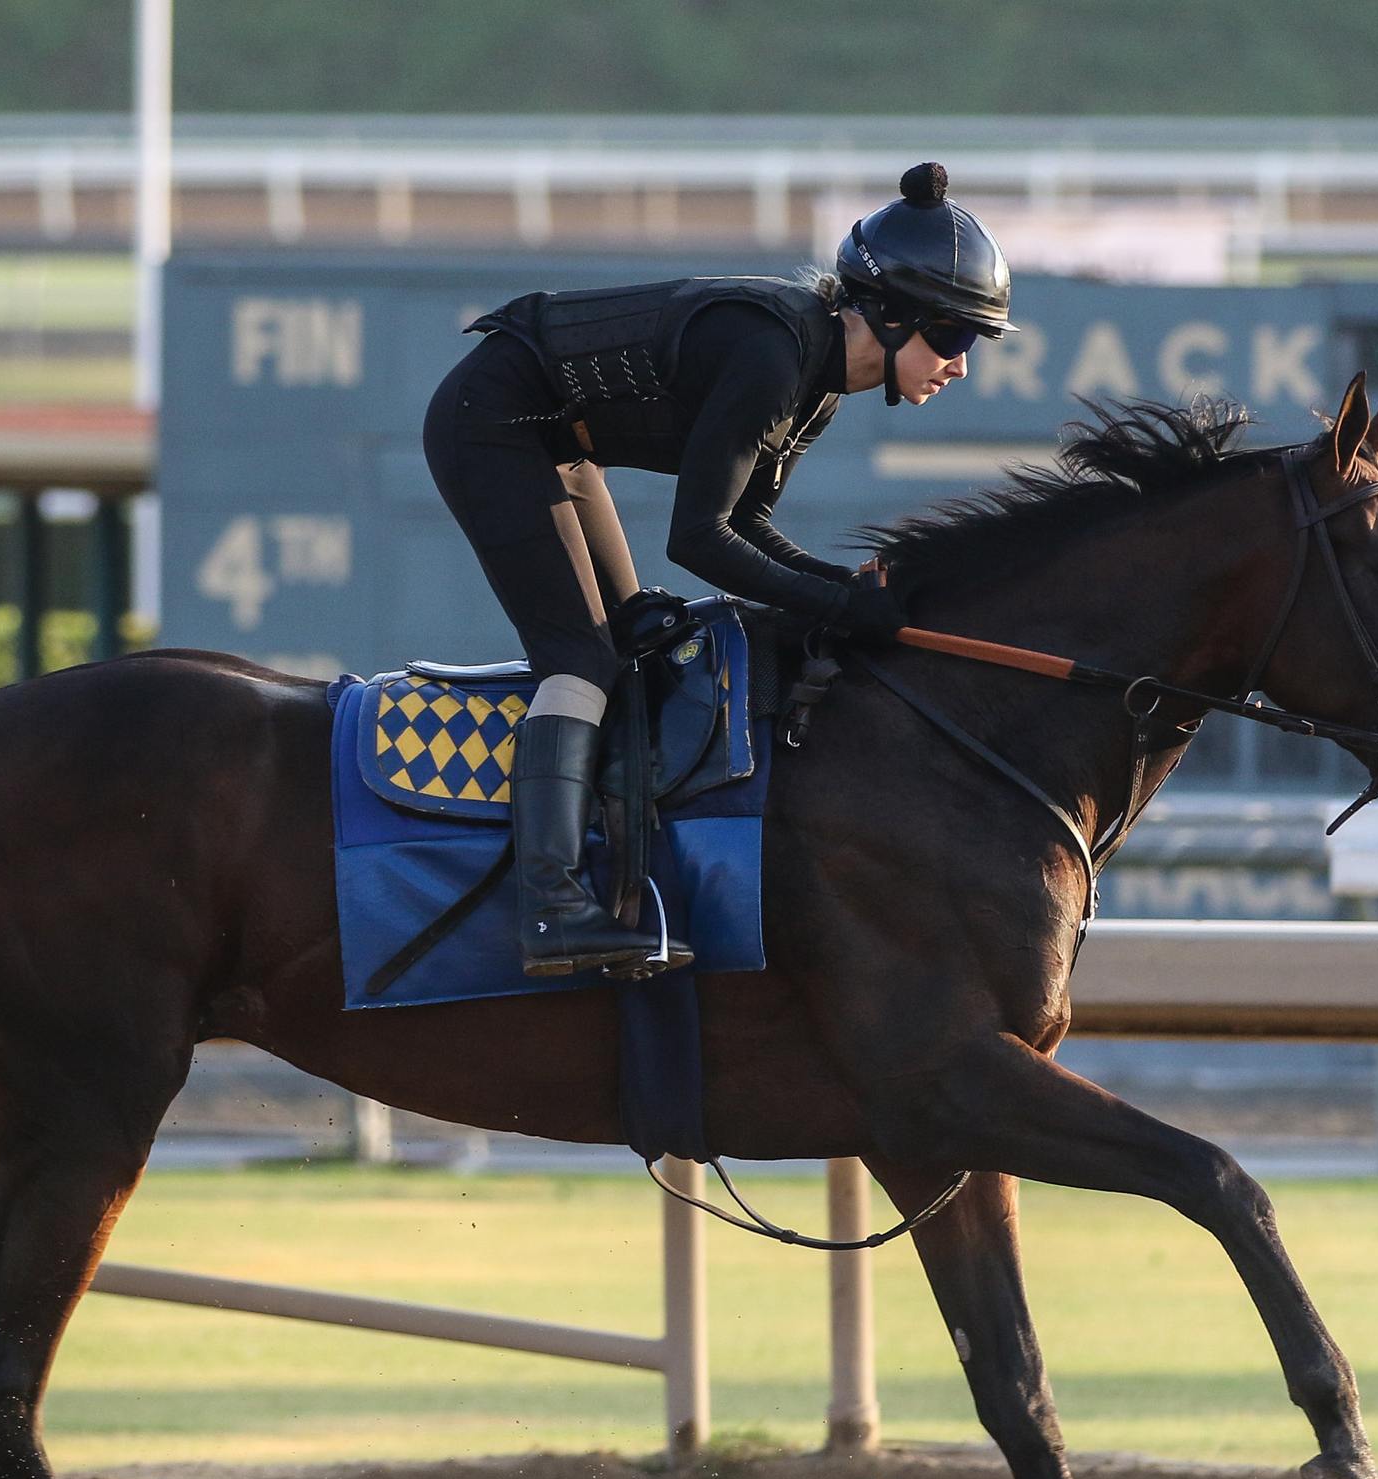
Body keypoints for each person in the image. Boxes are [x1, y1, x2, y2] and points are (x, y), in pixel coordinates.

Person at [422, 161, 1014, 978]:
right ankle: (551, 905)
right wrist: (836, 607)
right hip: (495, 424)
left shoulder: (818, 386)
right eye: (951, 336)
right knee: (583, 659)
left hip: (550, 438)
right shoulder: (775, 357)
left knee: (629, 644)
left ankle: (608, 877)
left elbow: (748, 525)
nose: (961, 362)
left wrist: (842, 592)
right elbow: (698, 539)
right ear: (885, 313)